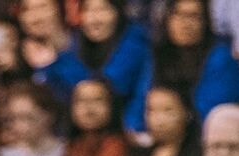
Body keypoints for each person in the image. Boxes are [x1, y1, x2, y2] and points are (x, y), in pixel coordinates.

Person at [33, 0, 153, 133]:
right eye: (87, 10)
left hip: (131, 132)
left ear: (117, 12)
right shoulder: (78, 42)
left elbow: (103, 85)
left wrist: (54, 64)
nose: (94, 19)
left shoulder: (135, 41)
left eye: (102, 9)